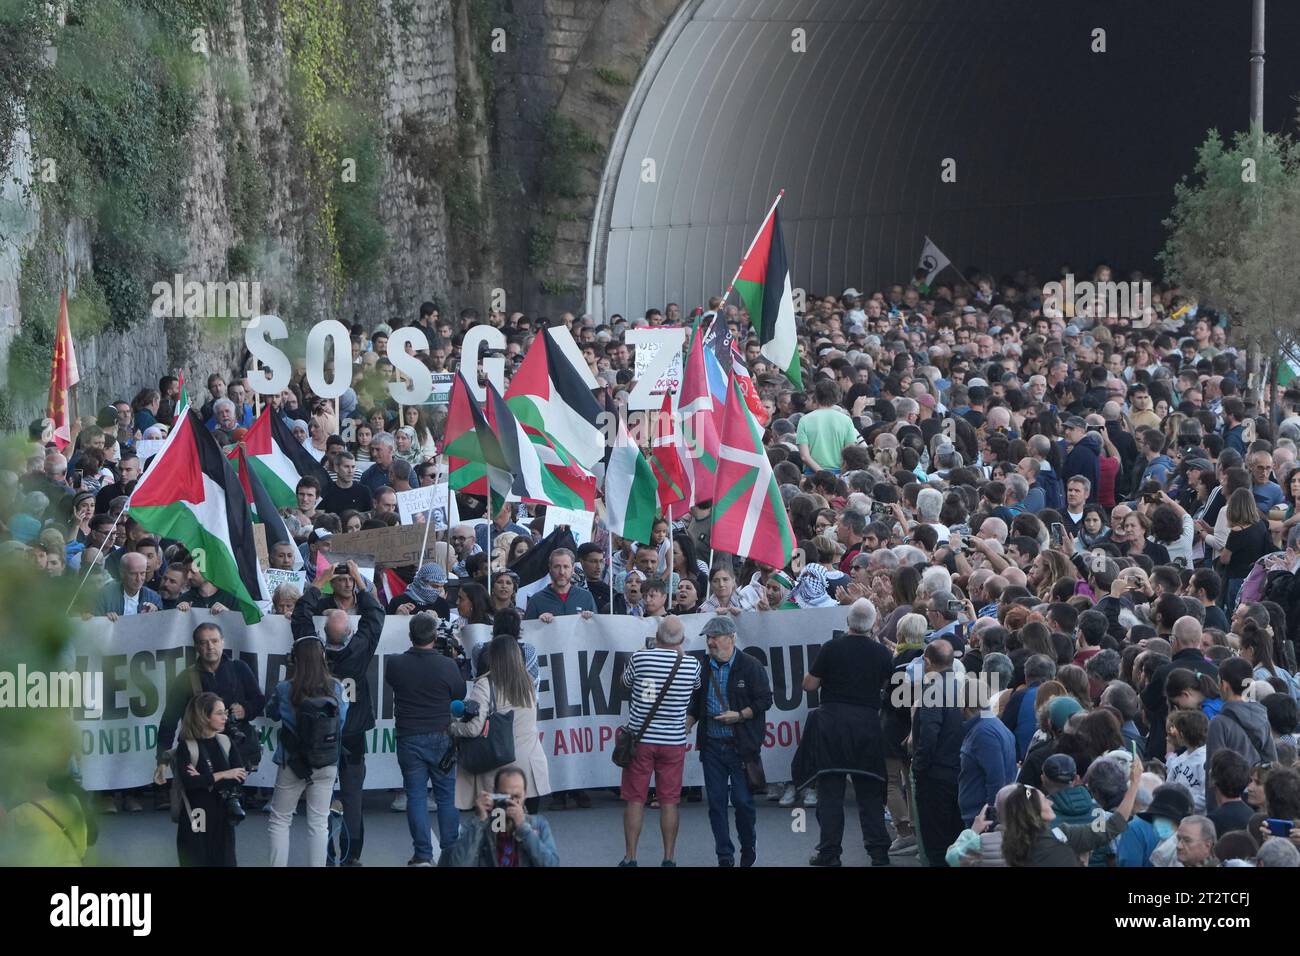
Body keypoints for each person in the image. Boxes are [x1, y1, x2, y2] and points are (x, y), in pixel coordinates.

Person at [293, 576, 385, 865]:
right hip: (353, 733)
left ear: (323, 633)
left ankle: (326, 854)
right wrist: (360, 581)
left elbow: (299, 617)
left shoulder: (312, 653)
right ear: (349, 633)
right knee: (352, 795)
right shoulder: (359, 649)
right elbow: (375, 615)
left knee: (320, 797)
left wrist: (319, 583)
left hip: (321, 735)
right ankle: (351, 853)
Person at [796, 599, 894, 866]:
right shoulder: (882, 654)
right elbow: (892, 689)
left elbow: (809, 685)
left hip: (832, 726)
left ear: (847, 622)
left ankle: (829, 853)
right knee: (869, 794)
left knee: (830, 793)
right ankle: (879, 853)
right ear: (874, 623)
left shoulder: (831, 648)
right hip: (866, 726)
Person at [687, 615, 773, 867]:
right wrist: (690, 719)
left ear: (731, 638)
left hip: (741, 747)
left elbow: (765, 700)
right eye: (708, 638)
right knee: (716, 803)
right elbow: (696, 699)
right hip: (712, 745)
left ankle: (748, 848)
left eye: (715, 637)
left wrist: (740, 715)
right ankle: (724, 856)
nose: (711, 642)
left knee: (743, 803)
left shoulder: (750, 665)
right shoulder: (701, 666)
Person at [384, 612, 468, 865]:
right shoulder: (447, 665)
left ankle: (422, 854)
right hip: (442, 734)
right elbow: (460, 693)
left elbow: (393, 683)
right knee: (446, 795)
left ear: (410, 636)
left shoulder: (396, 663)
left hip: (409, 736)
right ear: (435, 636)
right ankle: (451, 851)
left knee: (416, 796)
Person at [618, 616, 702, 867]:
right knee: (669, 800)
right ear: (681, 640)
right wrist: (681, 652)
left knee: (635, 798)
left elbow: (625, 683)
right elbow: (696, 685)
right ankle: (668, 857)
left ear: (657, 636)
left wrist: (647, 651)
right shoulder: (691, 664)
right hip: (673, 741)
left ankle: (631, 857)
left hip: (640, 740)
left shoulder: (640, 657)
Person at [265, 635, 349, 867]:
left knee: (280, 820)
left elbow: (271, 712)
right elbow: (341, 723)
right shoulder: (337, 687)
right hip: (326, 762)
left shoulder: (285, 689)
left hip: (292, 762)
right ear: (323, 657)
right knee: (319, 823)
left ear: (294, 660)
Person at [449, 634, 551, 813]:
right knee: (527, 830)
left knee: (500, 831)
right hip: (531, 767)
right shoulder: (528, 682)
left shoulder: (485, 684)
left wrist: (452, 727)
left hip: (500, 769)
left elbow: (474, 728)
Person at [155, 623, 266, 784]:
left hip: (235, 750)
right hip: (199, 753)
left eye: (214, 641)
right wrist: (162, 760)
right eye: (204, 642)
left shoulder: (239, 668)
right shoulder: (186, 678)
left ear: (223, 642)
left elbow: (259, 700)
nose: (210, 647)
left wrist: (245, 710)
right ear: (197, 647)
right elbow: (169, 721)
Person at [997, 752, 1145, 866]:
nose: (1051, 803)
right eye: (1044, 801)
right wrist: (1134, 784)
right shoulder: (1061, 835)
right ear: (1033, 812)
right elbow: (1114, 825)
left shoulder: (1011, 847)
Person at [172, 692, 245, 867]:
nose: (225, 717)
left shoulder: (226, 742)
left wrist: (205, 778)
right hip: (197, 817)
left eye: (225, 712)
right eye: (219, 713)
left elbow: (239, 776)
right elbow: (190, 783)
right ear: (204, 716)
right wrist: (223, 774)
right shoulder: (186, 746)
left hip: (223, 816)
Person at [438, 767, 560, 867]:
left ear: (525, 795)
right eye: (505, 796)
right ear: (495, 794)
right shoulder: (482, 824)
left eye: (516, 796)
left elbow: (552, 864)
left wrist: (523, 829)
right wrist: (480, 821)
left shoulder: (537, 824)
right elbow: (458, 864)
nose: (511, 802)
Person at [523, 548, 596, 622]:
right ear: (550, 568)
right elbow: (527, 631)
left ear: (573, 569)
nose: (562, 572)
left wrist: (591, 620)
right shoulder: (536, 600)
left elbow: (597, 630)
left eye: (566, 567)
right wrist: (538, 623)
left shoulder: (586, 597)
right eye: (557, 567)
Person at [90, 551, 160, 620]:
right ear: (122, 573)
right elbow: (94, 624)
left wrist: (156, 613)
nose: (138, 579)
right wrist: (104, 619)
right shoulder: (104, 595)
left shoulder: (153, 598)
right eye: (133, 574)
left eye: (142, 573)